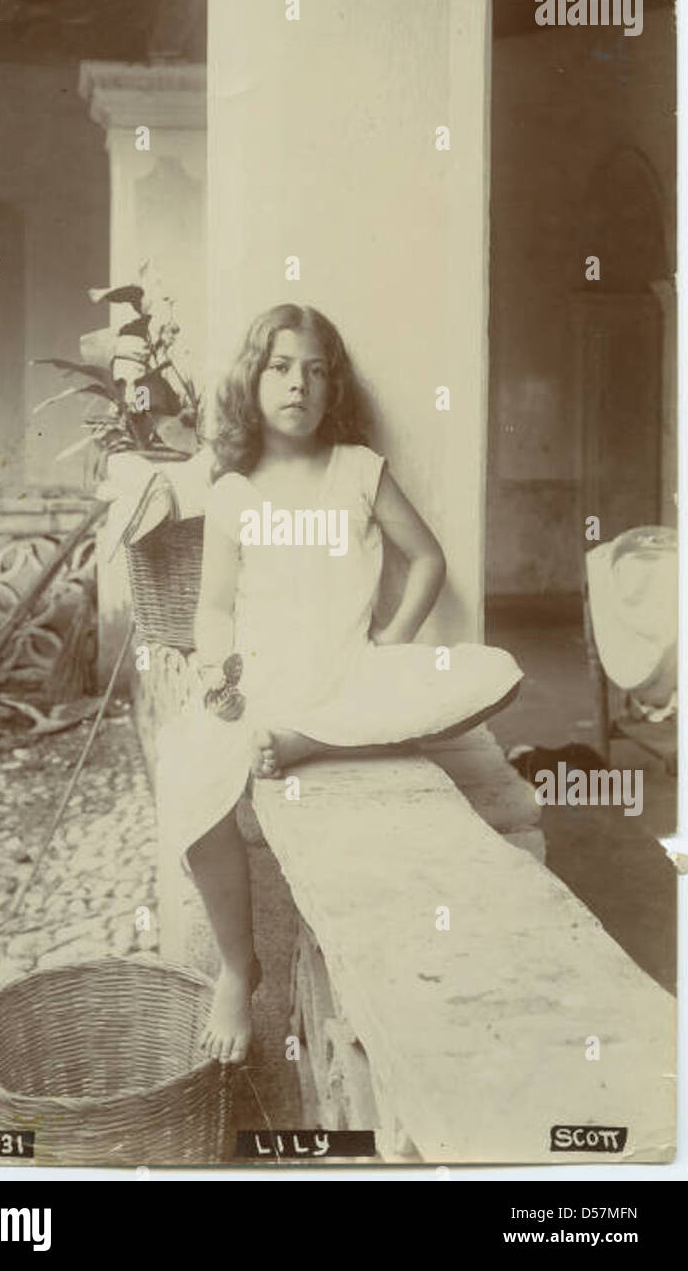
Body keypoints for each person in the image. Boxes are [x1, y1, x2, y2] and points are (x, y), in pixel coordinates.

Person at [157, 303, 523, 1065]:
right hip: (262, 686)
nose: (299, 383)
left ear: (334, 388)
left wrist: (393, 639)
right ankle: (237, 963)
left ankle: (308, 744)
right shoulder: (235, 494)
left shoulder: (358, 470)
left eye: (316, 370)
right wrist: (217, 670)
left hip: (348, 678)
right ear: (253, 382)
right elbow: (215, 610)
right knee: (190, 787)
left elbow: (427, 559)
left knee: (493, 672)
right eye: (281, 367)